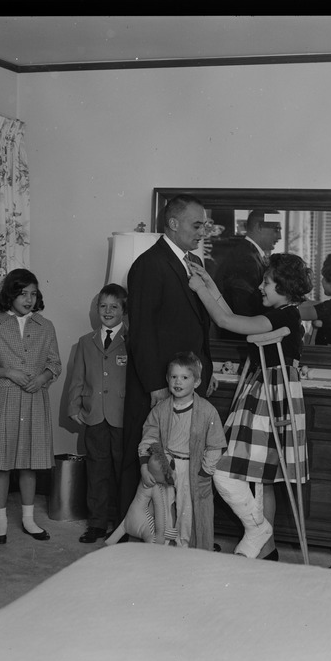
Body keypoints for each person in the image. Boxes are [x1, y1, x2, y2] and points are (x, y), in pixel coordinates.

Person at [188, 253, 313, 559]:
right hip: (263, 390)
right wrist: (210, 283)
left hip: (271, 395)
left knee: (232, 471)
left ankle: (259, 533)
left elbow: (226, 321)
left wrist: (200, 290)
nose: (260, 287)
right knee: (261, 477)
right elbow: (230, 314)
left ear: (283, 286)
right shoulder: (280, 313)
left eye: (266, 282)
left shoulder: (285, 317)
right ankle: (267, 548)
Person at [119, 193, 216, 518]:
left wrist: (206, 370)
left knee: (183, 458)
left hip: (188, 381)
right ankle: (136, 531)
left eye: (204, 226)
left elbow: (200, 325)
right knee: (149, 458)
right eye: (197, 225)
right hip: (159, 383)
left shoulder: (194, 264)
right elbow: (142, 332)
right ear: (173, 223)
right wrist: (154, 386)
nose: (202, 232)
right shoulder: (148, 264)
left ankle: (178, 532)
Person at [0, 268, 61, 544]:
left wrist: (42, 378)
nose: (28, 299)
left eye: (33, 294)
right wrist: (9, 373)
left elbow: (54, 363)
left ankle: (28, 519)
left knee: (30, 463)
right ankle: (0, 520)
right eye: (22, 293)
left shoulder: (45, 326)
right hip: (4, 399)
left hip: (35, 399)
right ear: (10, 295)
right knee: (1, 464)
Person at [136, 352, 226, 550]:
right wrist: (145, 467)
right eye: (174, 377)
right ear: (167, 379)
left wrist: (205, 473)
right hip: (165, 465)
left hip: (191, 468)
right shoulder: (160, 409)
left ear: (197, 382)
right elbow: (149, 438)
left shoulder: (207, 411)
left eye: (185, 377)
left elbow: (215, 445)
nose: (178, 382)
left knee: (188, 510)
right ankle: (164, 545)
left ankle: (185, 547)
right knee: (163, 508)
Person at [67, 283, 128, 543]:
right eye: (103, 306)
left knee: (123, 472)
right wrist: (74, 406)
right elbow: (78, 377)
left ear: (124, 311)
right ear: (96, 309)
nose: (108, 311)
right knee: (97, 470)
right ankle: (97, 523)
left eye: (114, 306)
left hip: (123, 416)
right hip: (95, 415)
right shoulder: (85, 342)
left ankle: (123, 524)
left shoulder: (132, 340)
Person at [211, 209, 282, 340]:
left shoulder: (251, 255)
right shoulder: (246, 259)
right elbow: (244, 310)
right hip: (239, 340)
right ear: (259, 227)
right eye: (276, 229)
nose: (279, 237)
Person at [104, 443, 178, 546]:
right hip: (142, 522)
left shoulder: (144, 479)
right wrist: (160, 534)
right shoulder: (155, 488)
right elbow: (159, 512)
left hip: (128, 518)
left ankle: (106, 547)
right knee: (155, 538)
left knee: (114, 537)